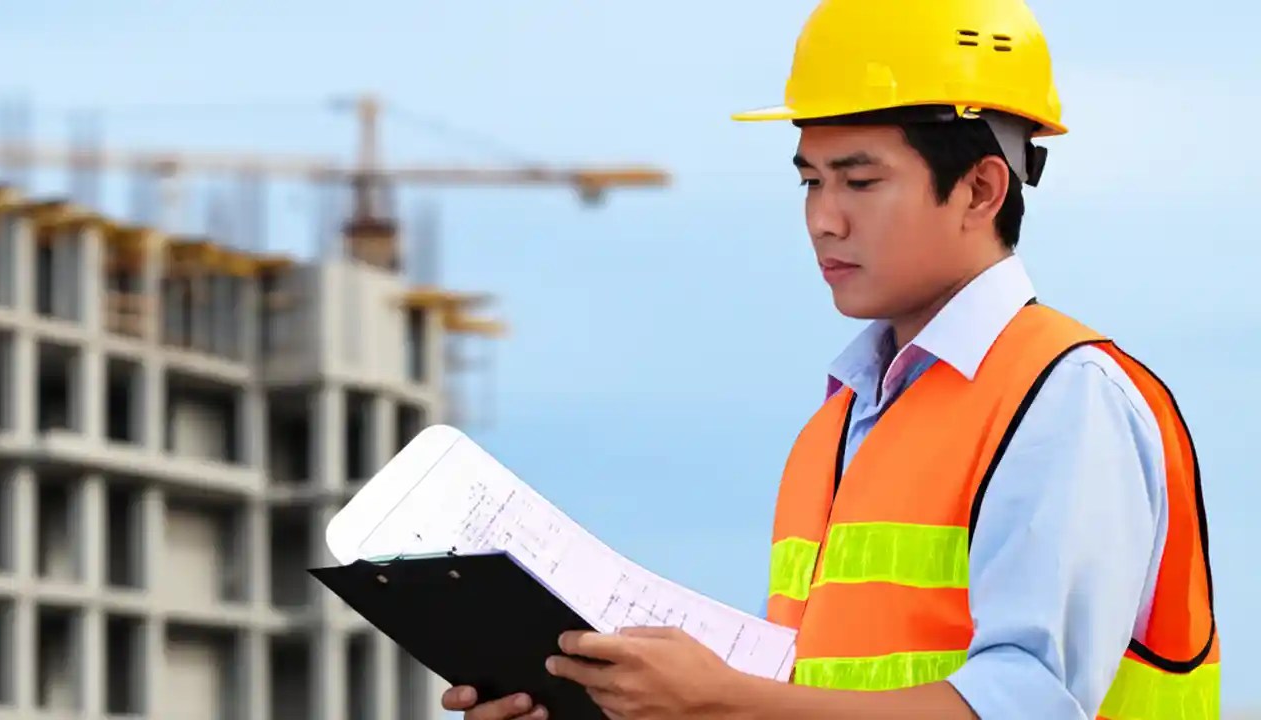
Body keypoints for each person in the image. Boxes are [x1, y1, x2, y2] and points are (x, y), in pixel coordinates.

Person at [441, 0, 1219, 717]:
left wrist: (725, 701)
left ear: (982, 189)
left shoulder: (1066, 397)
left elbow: (1027, 703)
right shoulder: (839, 424)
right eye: (810, 180)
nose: (823, 219)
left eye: (859, 180)